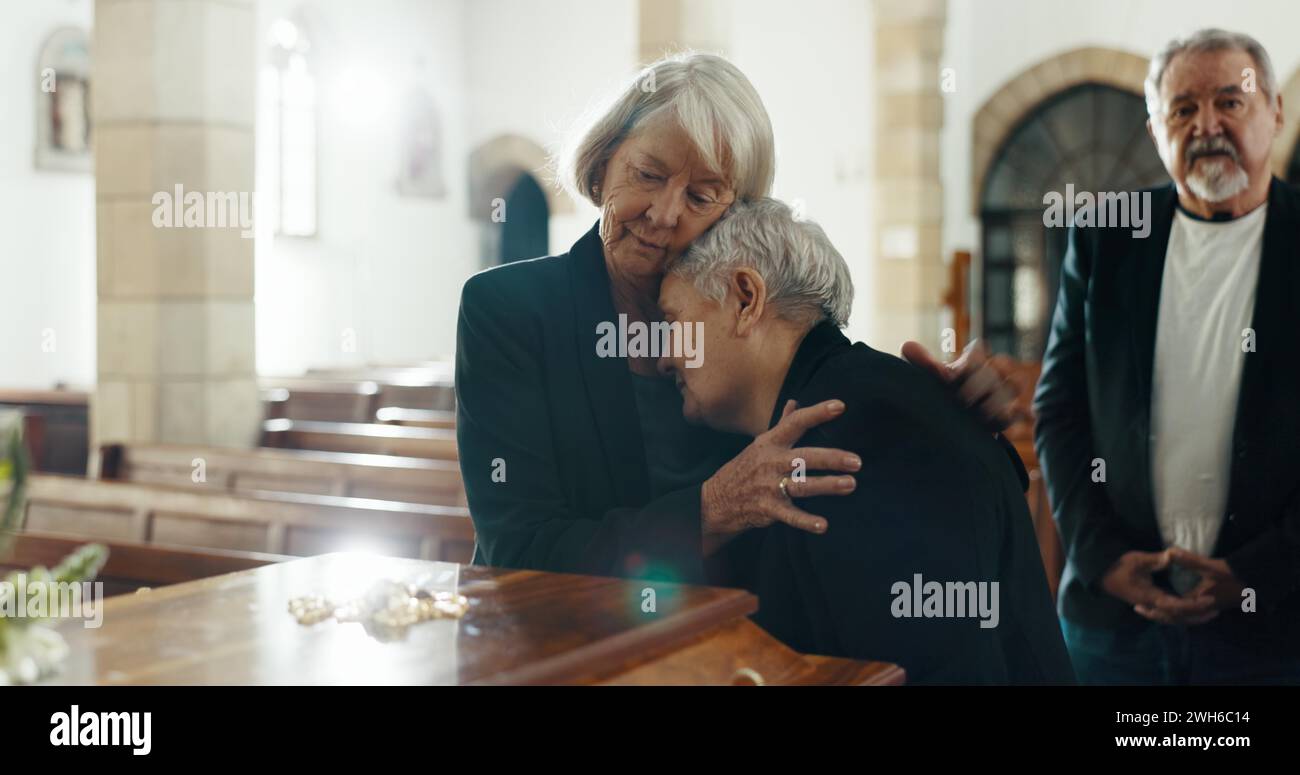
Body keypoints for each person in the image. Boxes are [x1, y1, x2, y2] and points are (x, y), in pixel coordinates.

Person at [455, 52, 1022, 585]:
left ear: (736, 215)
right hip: (561, 648)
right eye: (649, 175)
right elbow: (520, 552)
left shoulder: (753, 322)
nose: (664, 214)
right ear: (603, 167)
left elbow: (845, 410)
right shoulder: (509, 310)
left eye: (702, 196)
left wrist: (957, 415)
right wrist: (711, 510)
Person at [655, 198, 1074, 684]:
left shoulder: (865, 433)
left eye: (672, 322)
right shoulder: (851, 401)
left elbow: (926, 671)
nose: (664, 357)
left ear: (745, 298)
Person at [1034, 29, 1300, 684]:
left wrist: (1256, 573)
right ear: (1155, 129)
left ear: (1275, 112)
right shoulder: (1106, 235)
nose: (1206, 125)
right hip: (1115, 622)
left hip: (1272, 624)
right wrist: (1102, 558)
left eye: (1230, 102)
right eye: (1182, 109)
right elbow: (1059, 410)